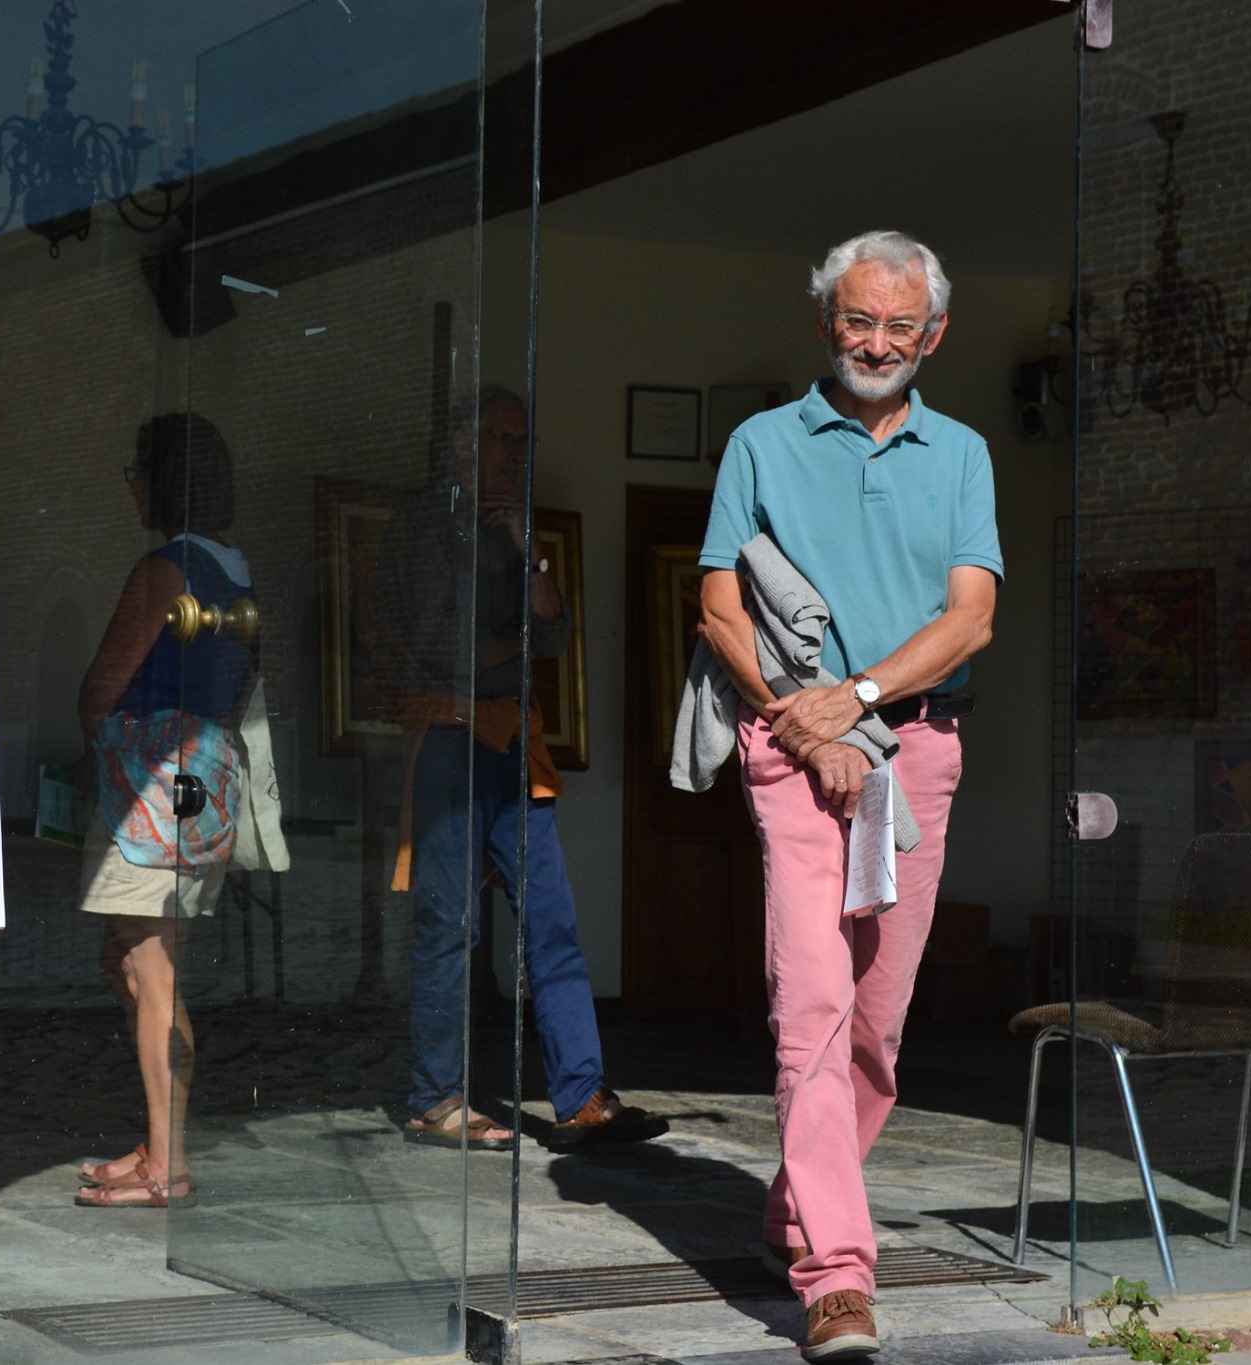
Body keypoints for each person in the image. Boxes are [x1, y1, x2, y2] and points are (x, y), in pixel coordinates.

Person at [692, 231, 1001, 1361]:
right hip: (789, 749)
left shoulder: (959, 452)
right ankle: (836, 1273)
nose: (877, 343)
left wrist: (857, 703)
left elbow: (969, 618)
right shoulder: (760, 442)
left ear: (932, 335)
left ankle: (795, 1202)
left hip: (914, 752)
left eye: (899, 327)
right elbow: (719, 608)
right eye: (858, 321)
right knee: (810, 1003)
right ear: (825, 320)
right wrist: (800, 719)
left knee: (876, 1025)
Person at [382, 385, 669, 1151]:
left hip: (511, 739)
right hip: (448, 735)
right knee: (450, 924)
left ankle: (579, 1096)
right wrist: (520, 639)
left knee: (552, 920)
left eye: (522, 441)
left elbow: (559, 631)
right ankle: (435, 1098)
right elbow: (452, 650)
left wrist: (529, 554)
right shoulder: (419, 527)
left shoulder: (515, 529)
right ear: (460, 447)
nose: (516, 454)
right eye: (503, 439)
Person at [72, 412, 255, 1209]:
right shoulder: (234, 571)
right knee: (140, 960)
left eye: (138, 469)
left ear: (164, 479)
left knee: (147, 967)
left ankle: (167, 1164)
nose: (132, 485)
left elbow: (100, 689)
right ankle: (160, 1143)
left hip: (148, 785)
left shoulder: (165, 570)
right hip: (206, 780)